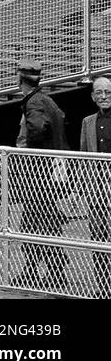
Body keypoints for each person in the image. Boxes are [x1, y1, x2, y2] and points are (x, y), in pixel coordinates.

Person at [15, 61, 70, 289]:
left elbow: (37, 129)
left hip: (38, 172)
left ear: (20, 80)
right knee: (35, 221)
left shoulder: (35, 103)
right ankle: (34, 268)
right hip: (47, 172)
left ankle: (54, 270)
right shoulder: (47, 101)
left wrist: (28, 156)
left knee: (41, 222)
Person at [78, 74, 111, 293]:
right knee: (98, 240)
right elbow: (83, 158)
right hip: (97, 192)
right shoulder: (87, 122)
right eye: (99, 92)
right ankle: (103, 286)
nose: (104, 96)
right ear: (92, 96)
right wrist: (80, 190)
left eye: (108, 92)